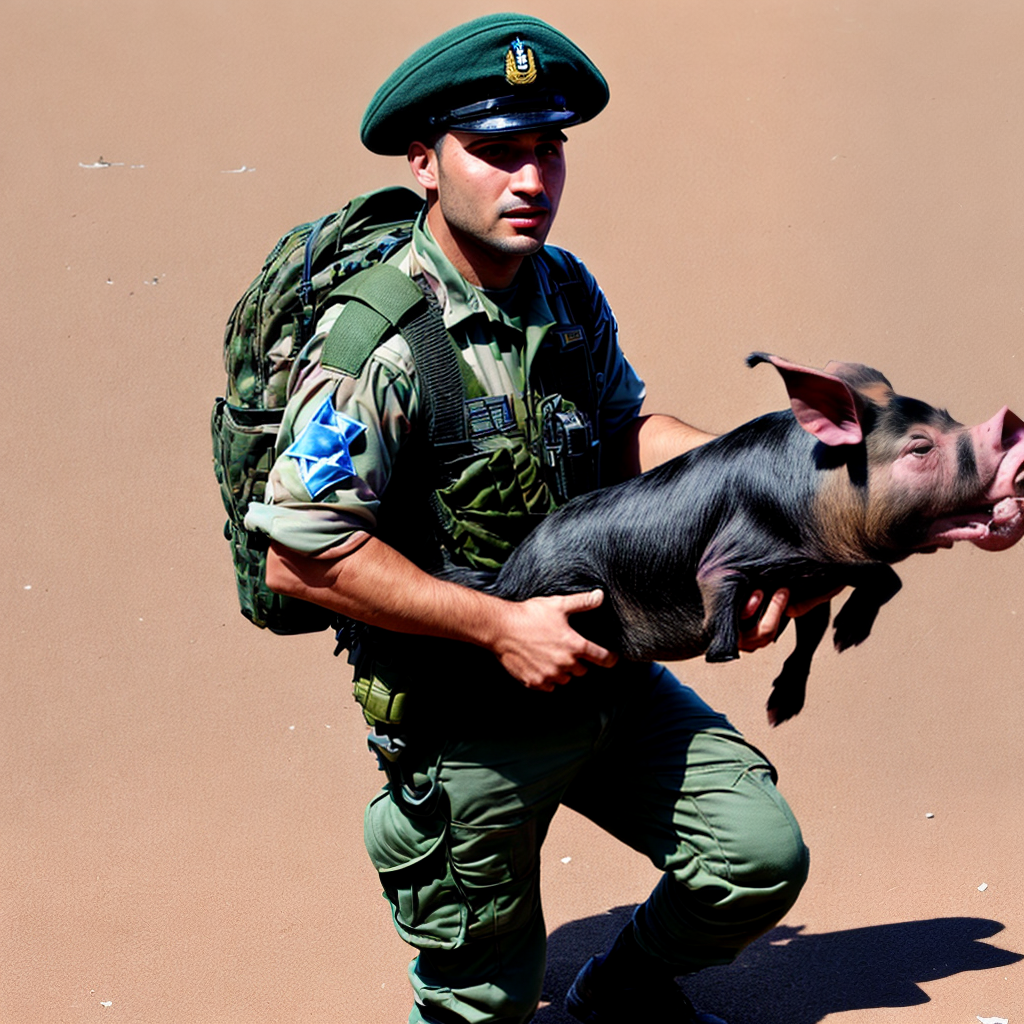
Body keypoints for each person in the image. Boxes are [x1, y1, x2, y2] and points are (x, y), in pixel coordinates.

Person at [245, 14, 812, 1024]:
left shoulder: (563, 288)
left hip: (607, 675)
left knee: (755, 856)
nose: (530, 180)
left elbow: (629, 425)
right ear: (425, 162)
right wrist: (501, 626)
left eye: (547, 150)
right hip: (462, 713)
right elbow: (299, 551)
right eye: (496, 152)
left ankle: (622, 995)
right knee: (482, 1004)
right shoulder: (380, 339)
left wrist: (775, 477)